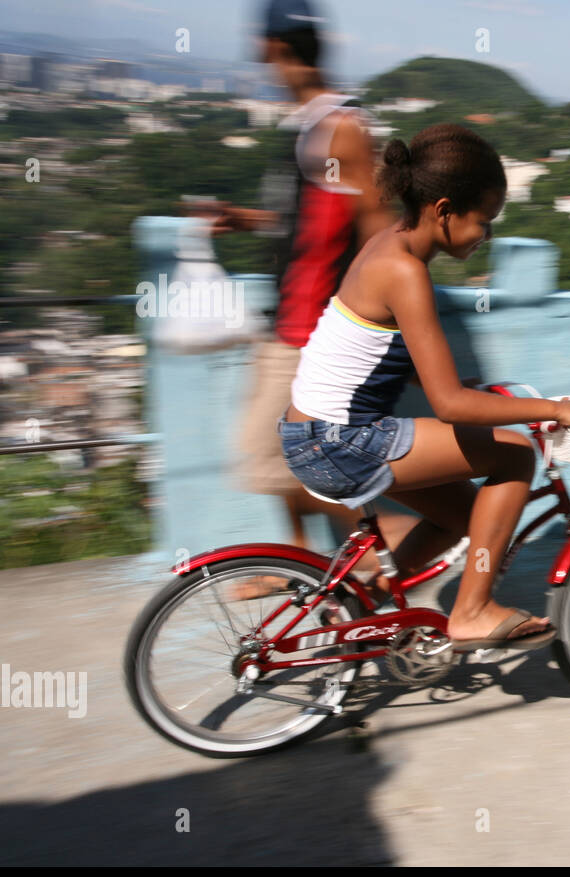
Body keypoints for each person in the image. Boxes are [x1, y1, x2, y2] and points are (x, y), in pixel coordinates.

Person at [277, 123, 570, 649]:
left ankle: (366, 595)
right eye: (483, 222)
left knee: (467, 518)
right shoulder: (405, 271)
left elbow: (391, 352)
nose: (485, 236)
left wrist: (472, 388)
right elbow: (448, 404)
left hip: (313, 434)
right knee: (514, 459)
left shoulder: (389, 243)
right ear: (444, 211)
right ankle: (470, 611)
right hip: (340, 443)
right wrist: (555, 409)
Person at [221, 0, 419, 603]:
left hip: (311, 334)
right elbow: (306, 225)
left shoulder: (343, 129)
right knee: (276, 462)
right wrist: (246, 221)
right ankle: (310, 565)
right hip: (285, 323)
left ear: (276, 48)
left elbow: (375, 229)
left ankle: (395, 545)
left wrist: (368, 328)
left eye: (263, 45)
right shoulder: (311, 125)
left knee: (271, 456)